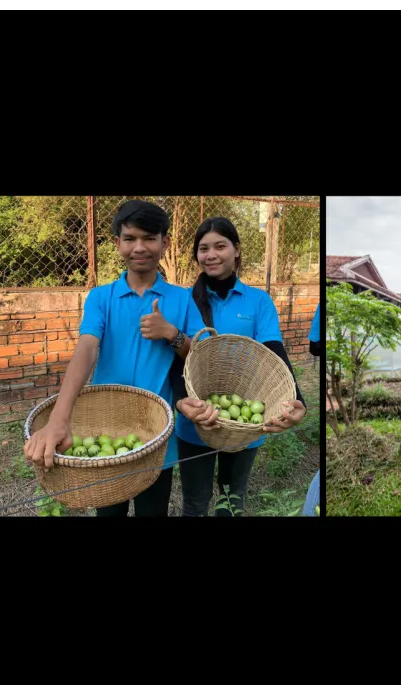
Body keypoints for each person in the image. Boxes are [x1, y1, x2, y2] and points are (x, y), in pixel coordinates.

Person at [24, 200, 205, 517]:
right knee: (108, 511)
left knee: (153, 509)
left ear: (165, 243)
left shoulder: (182, 298)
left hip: (155, 432)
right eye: (130, 238)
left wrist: (172, 333)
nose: (140, 247)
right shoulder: (101, 297)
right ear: (117, 243)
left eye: (149, 238)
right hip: (106, 430)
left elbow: (201, 356)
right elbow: (87, 348)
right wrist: (58, 419)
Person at [173, 217, 307, 517]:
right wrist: (182, 402)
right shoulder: (184, 300)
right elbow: (177, 358)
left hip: (245, 427)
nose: (211, 255)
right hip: (197, 419)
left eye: (220, 246)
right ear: (196, 255)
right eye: (204, 248)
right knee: (195, 502)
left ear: (236, 250)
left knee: (232, 500)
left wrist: (297, 400)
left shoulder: (258, 301)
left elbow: (274, 352)